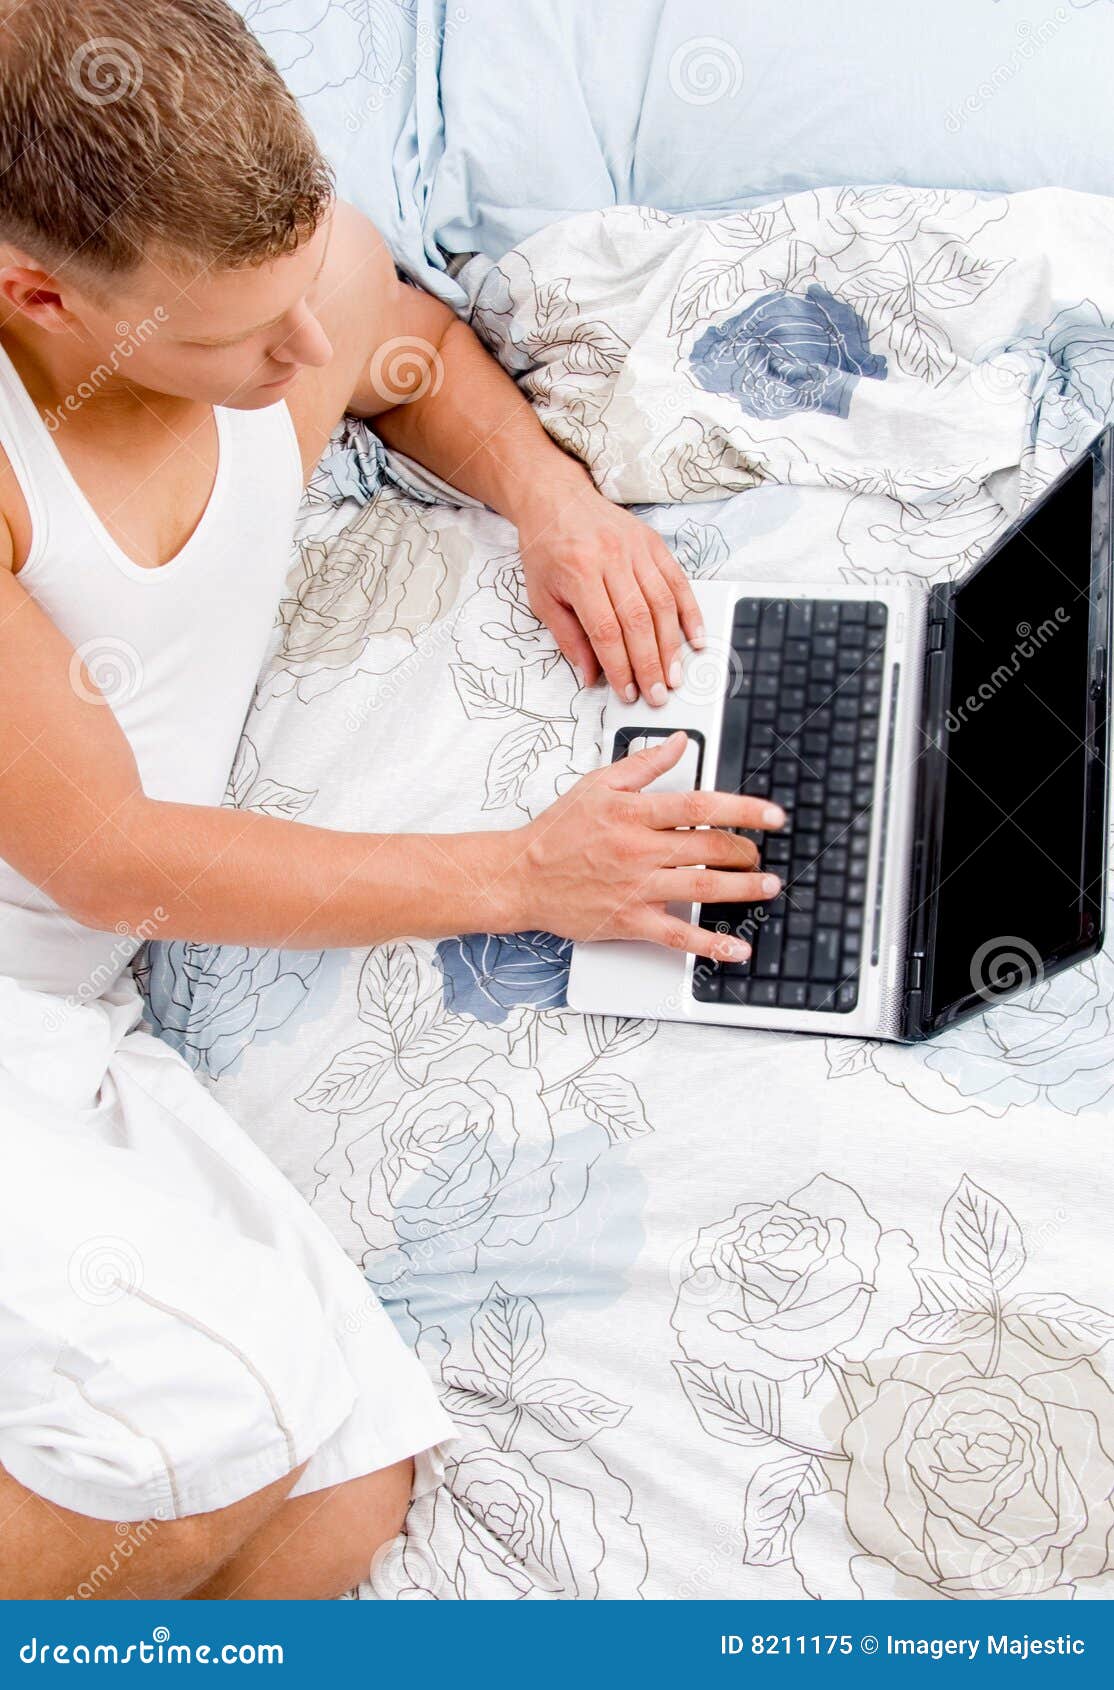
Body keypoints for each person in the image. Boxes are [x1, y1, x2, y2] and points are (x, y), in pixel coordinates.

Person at [0, 0, 781, 1598]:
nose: (311, 355)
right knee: (189, 1439)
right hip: (40, 961)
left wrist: (548, 496)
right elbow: (106, 856)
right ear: (37, 295)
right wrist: (530, 873)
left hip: (73, 1017)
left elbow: (394, 336)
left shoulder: (278, 285)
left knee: (344, 1493)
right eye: (247, 334)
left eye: (304, 295)